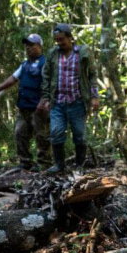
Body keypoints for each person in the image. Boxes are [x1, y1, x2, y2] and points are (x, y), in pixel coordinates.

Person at [38, 23, 99, 174]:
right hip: (57, 102)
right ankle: (59, 165)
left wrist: (94, 96)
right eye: (57, 40)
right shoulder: (53, 54)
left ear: (70, 38)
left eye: (62, 39)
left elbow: (92, 74)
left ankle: (79, 166)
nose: (59, 42)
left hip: (77, 101)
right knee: (56, 133)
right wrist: (45, 98)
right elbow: (46, 76)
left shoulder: (83, 53)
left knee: (80, 135)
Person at [0, 34, 51, 170]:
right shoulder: (25, 64)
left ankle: (44, 163)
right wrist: (0, 87)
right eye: (27, 46)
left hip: (39, 107)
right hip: (24, 107)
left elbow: (49, 85)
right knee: (20, 133)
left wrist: (43, 101)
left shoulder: (45, 63)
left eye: (32, 45)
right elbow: (13, 78)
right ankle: (25, 162)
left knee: (42, 135)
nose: (28, 48)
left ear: (40, 46)